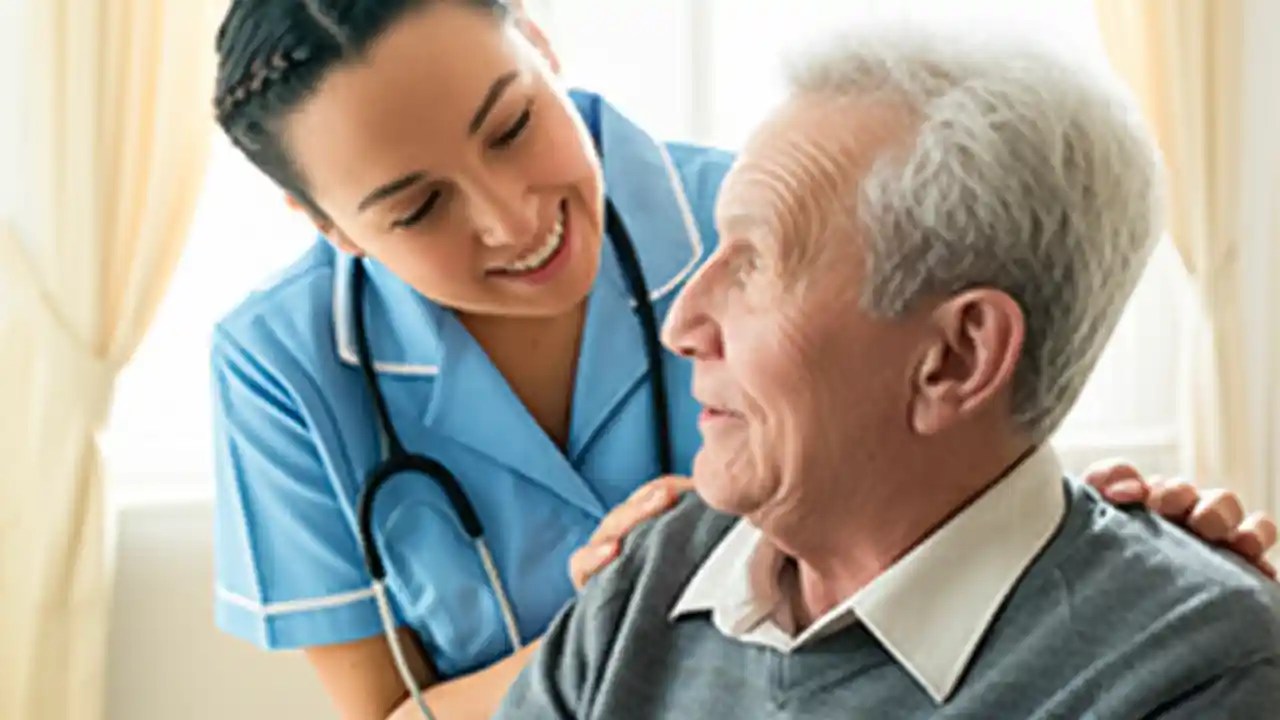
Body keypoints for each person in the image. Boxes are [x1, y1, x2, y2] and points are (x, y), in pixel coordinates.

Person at [208, 2, 1276, 718]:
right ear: (327, 225)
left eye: (510, 126)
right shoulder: (282, 365)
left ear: (537, 42)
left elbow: (963, 445)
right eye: (417, 206)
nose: (510, 214)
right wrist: (615, 630)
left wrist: (1125, 551)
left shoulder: (796, 185)